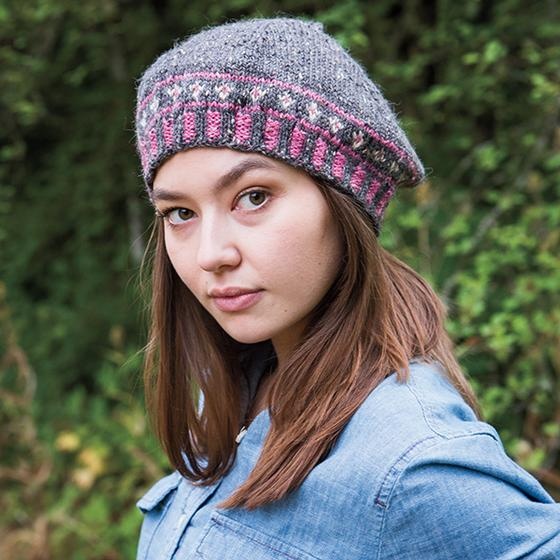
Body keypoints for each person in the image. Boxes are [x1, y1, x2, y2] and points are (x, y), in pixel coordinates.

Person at [133, 17, 560, 559]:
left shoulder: (414, 464)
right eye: (180, 212)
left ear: (344, 204)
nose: (211, 254)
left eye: (254, 197)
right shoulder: (228, 391)